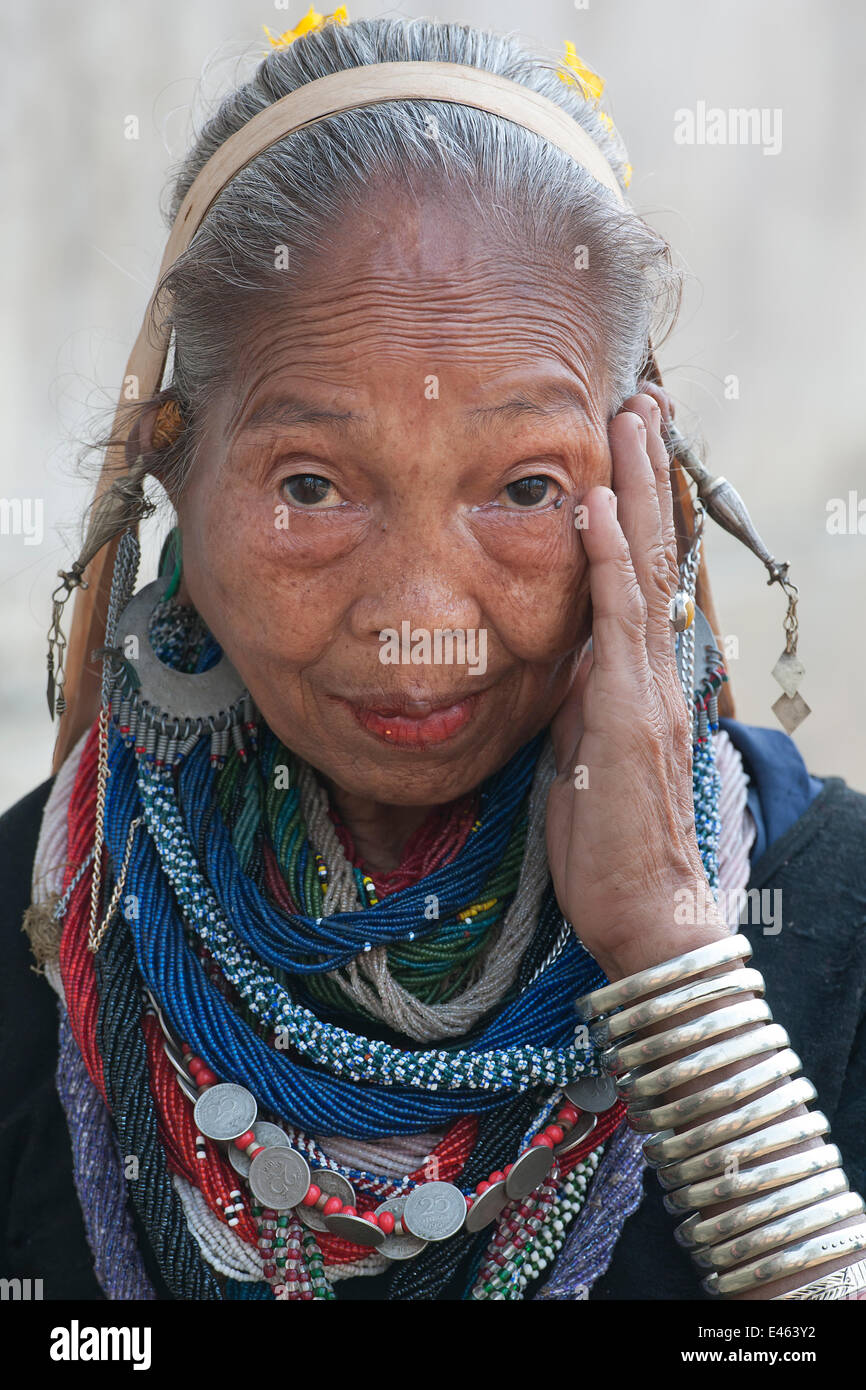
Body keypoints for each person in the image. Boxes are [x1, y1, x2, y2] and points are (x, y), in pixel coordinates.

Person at [2, 11, 864, 1304]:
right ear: (166, 458)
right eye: (312, 484)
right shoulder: (43, 935)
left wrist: (674, 953)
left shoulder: (833, 925)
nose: (416, 612)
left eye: (521, 486)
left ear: (644, 478)